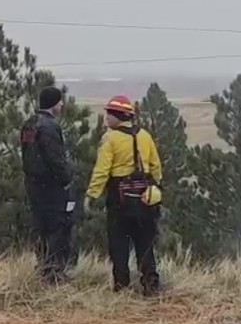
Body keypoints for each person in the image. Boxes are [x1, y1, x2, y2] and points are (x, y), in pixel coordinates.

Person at [86, 95, 164, 294]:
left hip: (119, 197)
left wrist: (92, 195)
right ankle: (151, 284)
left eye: (108, 115)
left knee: (119, 242)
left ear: (118, 116)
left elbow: (102, 171)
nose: (106, 119)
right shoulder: (145, 136)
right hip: (146, 197)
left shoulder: (110, 138)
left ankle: (121, 286)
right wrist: (155, 187)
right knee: (145, 241)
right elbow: (156, 167)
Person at [20, 85, 74, 283]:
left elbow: (26, 155)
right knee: (58, 227)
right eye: (60, 101)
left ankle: (43, 266)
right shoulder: (50, 127)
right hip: (52, 187)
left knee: (40, 227)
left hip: (34, 185)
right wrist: (66, 178)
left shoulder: (30, 124)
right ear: (54, 103)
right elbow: (55, 159)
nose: (62, 105)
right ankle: (54, 272)